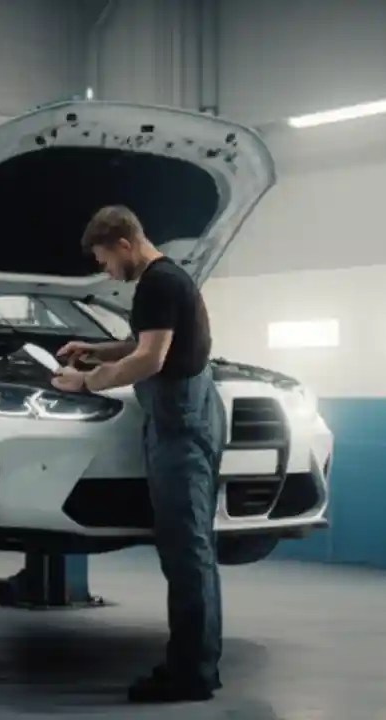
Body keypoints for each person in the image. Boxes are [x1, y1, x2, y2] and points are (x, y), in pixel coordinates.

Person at [53, 205, 227, 704]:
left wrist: (85, 380)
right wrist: (97, 349)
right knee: (190, 550)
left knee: (187, 551)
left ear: (125, 244)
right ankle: (197, 666)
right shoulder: (167, 280)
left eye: (105, 259)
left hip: (180, 425)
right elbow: (145, 343)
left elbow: (150, 360)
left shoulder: (156, 284)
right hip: (187, 415)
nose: (105, 270)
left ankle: (190, 674)